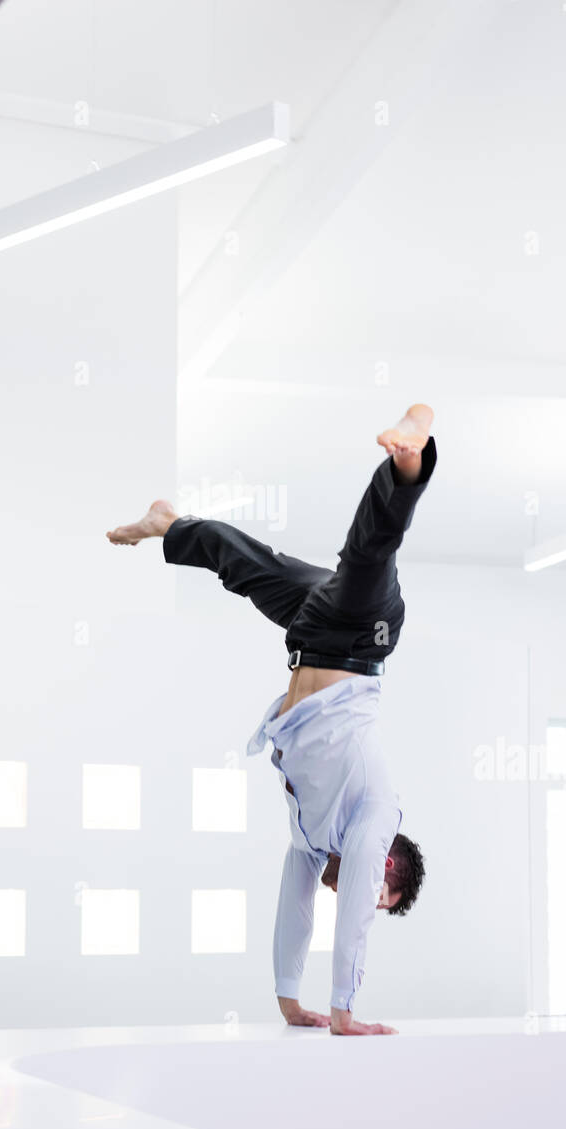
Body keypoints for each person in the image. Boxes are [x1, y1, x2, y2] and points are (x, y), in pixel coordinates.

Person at [107, 404, 436, 1036]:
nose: (355, 893)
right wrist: (344, 1009)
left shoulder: (315, 840)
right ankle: (409, 454)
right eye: (376, 890)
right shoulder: (378, 816)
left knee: (245, 567)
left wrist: (288, 999)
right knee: (370, 551)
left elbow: (296, 908)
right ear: (387, 866)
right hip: (363, 638)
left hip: (312, 633)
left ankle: (169, 523)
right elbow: (351, 922)